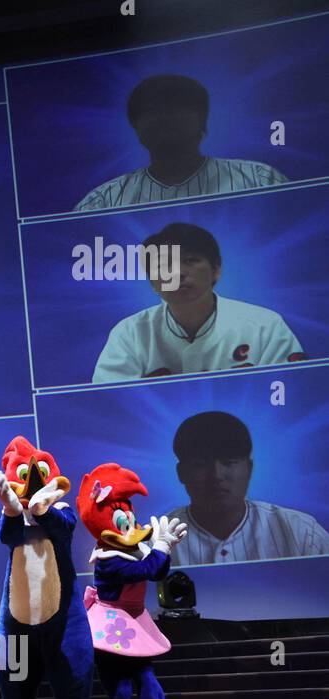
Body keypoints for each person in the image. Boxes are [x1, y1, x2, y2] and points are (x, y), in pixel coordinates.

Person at [93, 223, 306, 382]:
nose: (178, 273)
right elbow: (111, 406)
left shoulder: (264, 325)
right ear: (152, 282)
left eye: (189, 260)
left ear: (216, 269)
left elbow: (293, 390)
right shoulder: (129, 333)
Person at [75, 75, 287, 212]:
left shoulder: (260, 180)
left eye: (176, 107)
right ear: (135, 126)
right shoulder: (103, 202)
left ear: (201, 119)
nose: (164, 117)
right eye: (151, 110)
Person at [165, 411, 329, 565]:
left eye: (229, 462)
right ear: (181, 473)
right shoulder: (156, 541)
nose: (217, 475)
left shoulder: (302, 533)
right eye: (200, 464)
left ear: (249, 469)